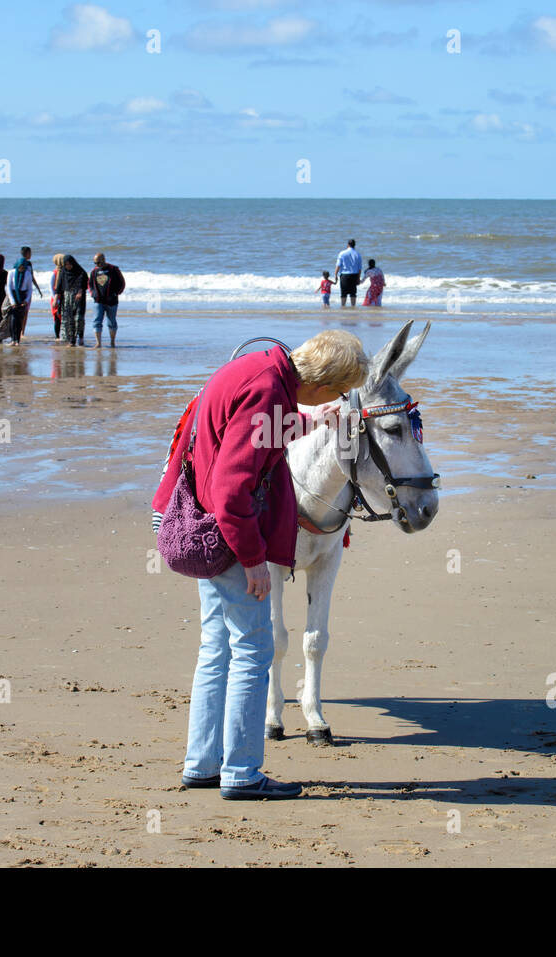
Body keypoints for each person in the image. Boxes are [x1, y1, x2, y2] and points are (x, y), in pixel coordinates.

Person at [152, 330, 369, 800]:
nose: (336, 399)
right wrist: (253, 560)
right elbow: (233, 488)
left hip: (201, 524)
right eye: (338, 391)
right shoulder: (271, 392)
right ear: (324, 380)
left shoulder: (260, 370)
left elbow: (251, 434)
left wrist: (315, 422)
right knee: (253, 648)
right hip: (226, 534)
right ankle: (242, 773)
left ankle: (203, 764)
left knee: (217, 648)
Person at [88, 252, 126, 349]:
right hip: (98, 301)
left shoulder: (114, 269)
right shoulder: (94, 272)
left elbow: (122, 283)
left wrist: (116, 293)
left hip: (111, 301)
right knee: (97, 321)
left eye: (98, 262)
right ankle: (98, 343)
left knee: (111, 322)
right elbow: (90, 285)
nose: (97, 265)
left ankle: (112, 342)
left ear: (104, 260)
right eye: (95, 263)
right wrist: (93, 294)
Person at [7, 246, 41, 342]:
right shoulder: (23, 264)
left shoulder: (27, 267)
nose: (31, 255)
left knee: (24, 312)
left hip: (25, 292)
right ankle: (18, 333)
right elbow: (11, 283)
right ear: (26, 253)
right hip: (16, 294)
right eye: (30, 253)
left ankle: (22, 332)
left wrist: (37, 288)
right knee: (20, 314)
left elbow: (30, 278)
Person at [55, 254, 89, 346]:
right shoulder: (63, 272)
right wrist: (56, 300)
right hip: (66, 298)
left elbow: (84, 283)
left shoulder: (80, 272)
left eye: (69, 264)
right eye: (66, 264)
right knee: (69, 320)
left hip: (78, 298)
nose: (68, 266)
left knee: (78, 319)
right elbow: (59, 287)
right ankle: (72, 341)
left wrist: (80, 292)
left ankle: (81, 337)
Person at [334, 239, 362, 307]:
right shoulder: (357, 254)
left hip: (344, 275)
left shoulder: (342, 253)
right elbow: (359, 268)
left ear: (348, 245)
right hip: (354, 275)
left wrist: (335, 274)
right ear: (354, 245)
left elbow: (338, 265)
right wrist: (358, 278)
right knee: (353, 293)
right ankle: (353, 307)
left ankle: (343, 306)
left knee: (343, 293)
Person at [50, 253, 65, 341]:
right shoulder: (54, 273)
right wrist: (56, 299)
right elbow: (50, 287)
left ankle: (63, 335)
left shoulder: (64, 272)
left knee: (63, 318)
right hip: (56, 298)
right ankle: (57, 336)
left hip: (63, 297)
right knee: (57, 318)